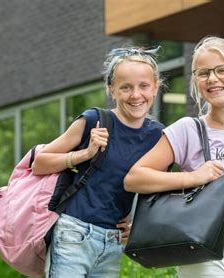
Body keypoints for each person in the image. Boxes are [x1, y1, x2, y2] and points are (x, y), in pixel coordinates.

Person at [124, 36, 224, 277]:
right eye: (203, 73)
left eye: (222, 70)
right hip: (199, 243)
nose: (212, 79)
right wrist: (193, 178)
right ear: (196, 81)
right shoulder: (187, 130)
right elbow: (134, 178)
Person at [32, 46, 165, 277]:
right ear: (111, 90)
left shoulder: (158, 136)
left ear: (155, 87)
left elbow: (155, 190)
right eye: (125, 87)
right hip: (73, 234)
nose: (136, 95)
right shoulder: (95, 120)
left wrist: (138, 227)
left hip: (112, 242)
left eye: (143, 86)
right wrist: (85, 153)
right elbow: (39, 163)